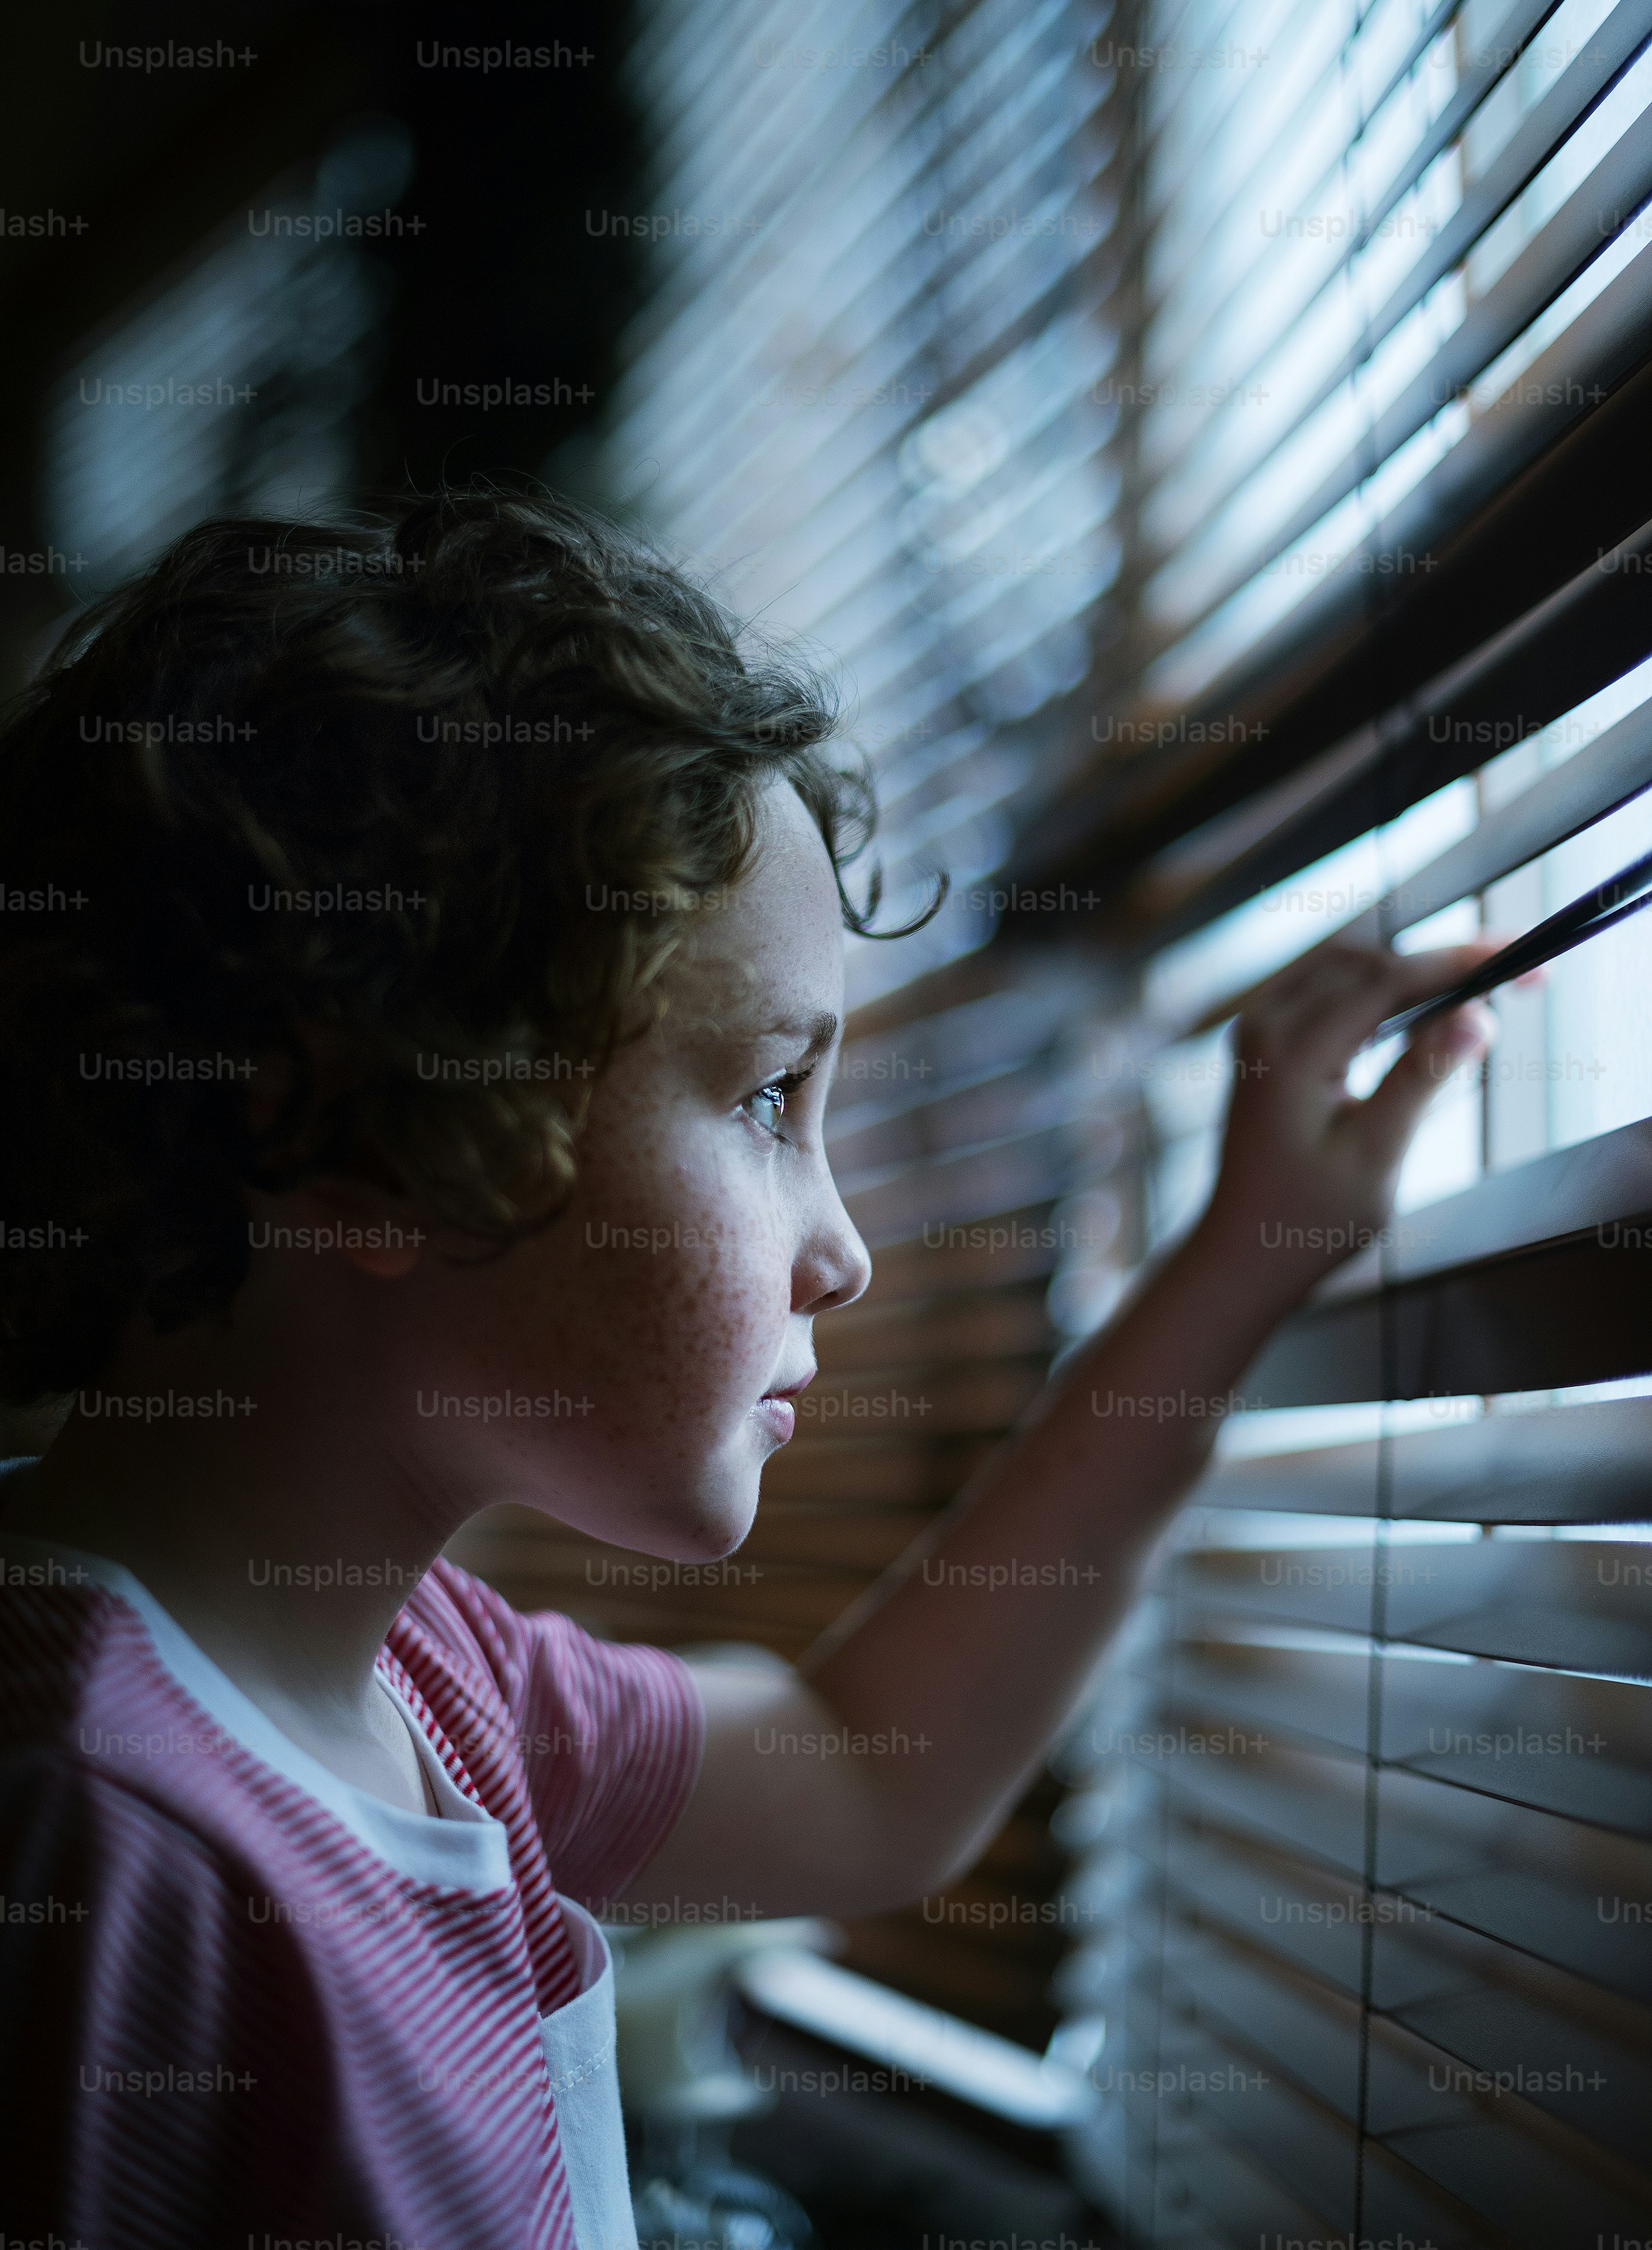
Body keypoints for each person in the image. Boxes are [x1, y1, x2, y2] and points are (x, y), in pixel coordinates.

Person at [0, 489, 1497, 2249]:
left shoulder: (421, 1677)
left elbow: (868, 1776)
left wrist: (1236, 1269)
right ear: (367, 1133)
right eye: (768, 1099)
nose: (844, 1249)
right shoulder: (99, 1835)